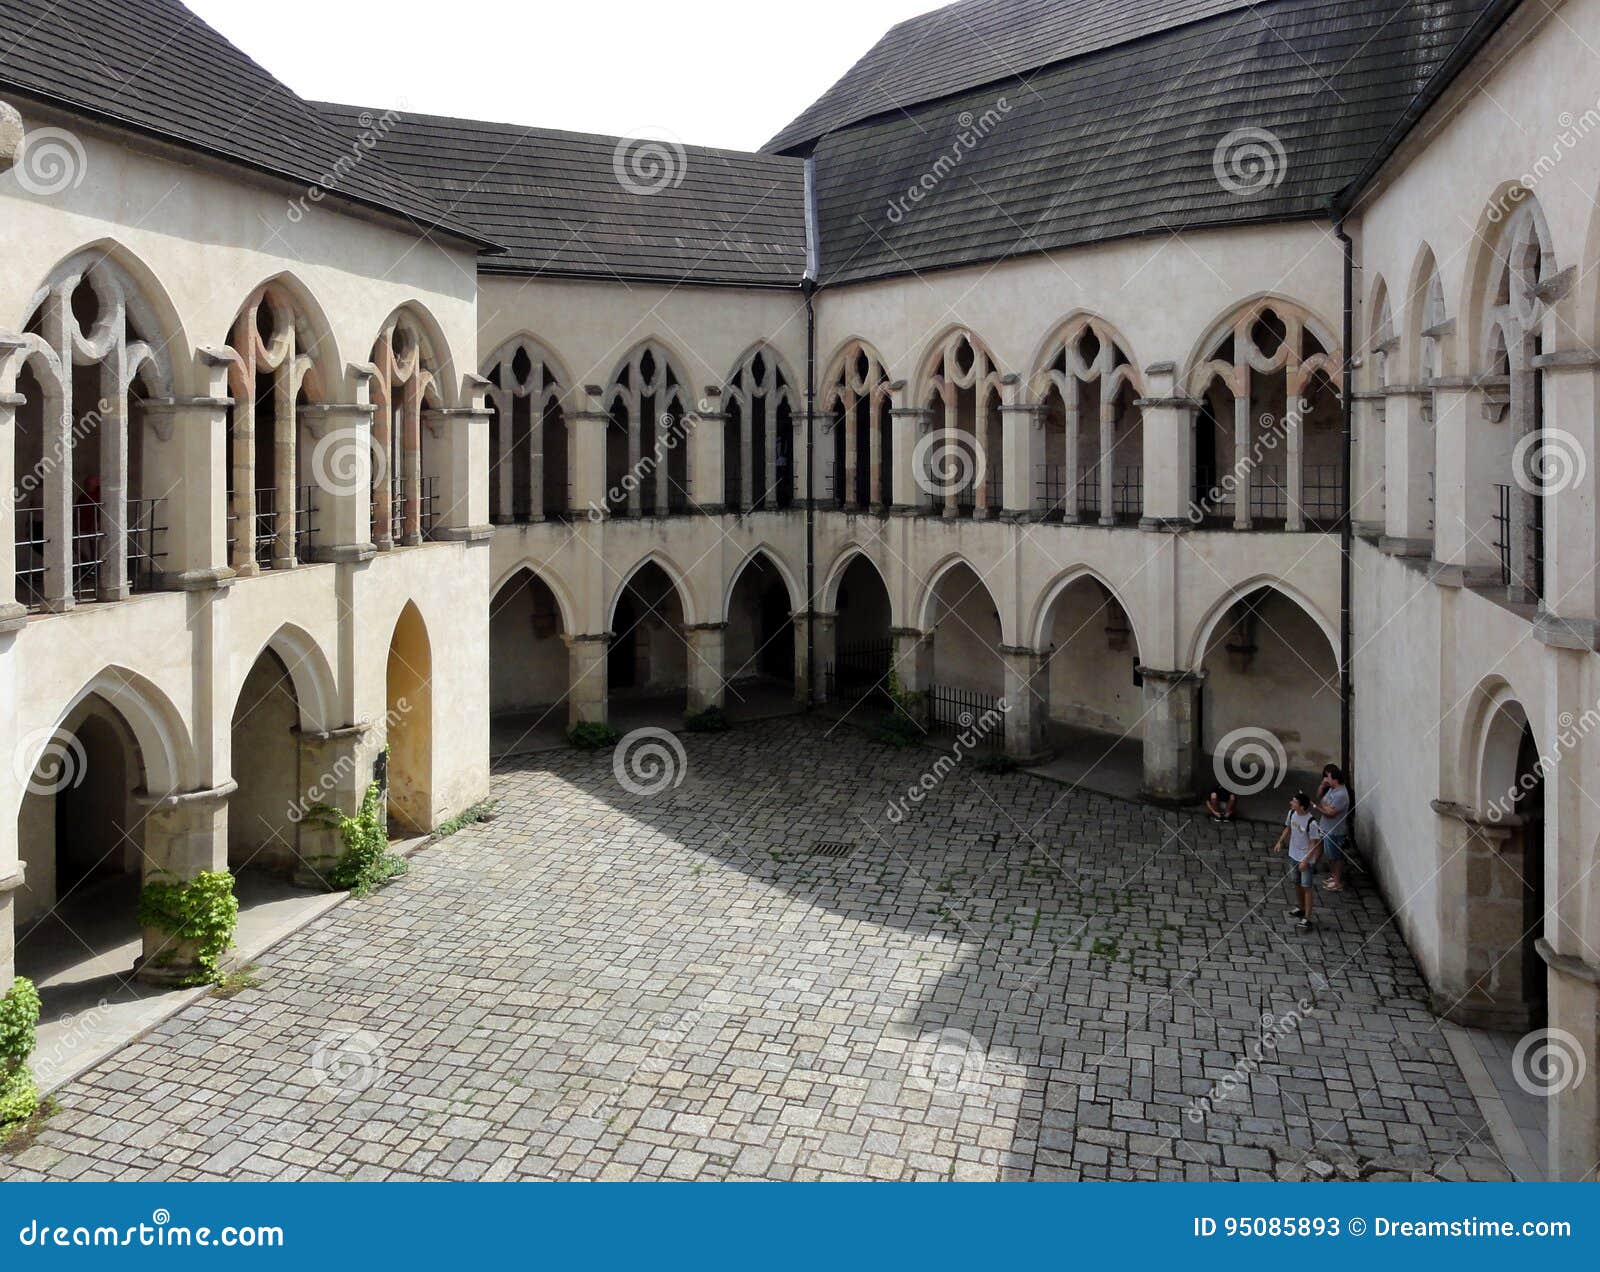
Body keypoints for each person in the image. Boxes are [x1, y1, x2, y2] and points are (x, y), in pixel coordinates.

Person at [1273, 792, 1320, 931]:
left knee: (1307, 886)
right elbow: (1288, 828)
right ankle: (1300, 907)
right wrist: (1280, 842)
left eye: (1294, 802)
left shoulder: (1312, 823)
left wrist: (1305, 860)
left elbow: (1313, 843)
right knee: (1296, 883)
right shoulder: (1292, 813)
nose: (1291, 803)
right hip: (1293, 855)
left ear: (1302, 806)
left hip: (1305, 859)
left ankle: (1307, 917)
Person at [1315, 763, 1351, 891]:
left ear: (1335, 778)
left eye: (1327, 777)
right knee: (1330, 856)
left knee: (1336, 857)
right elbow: (1320, 799)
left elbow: (1330, 813)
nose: (1325, 779)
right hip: (1326, 828)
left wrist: (1318, 807)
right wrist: (1322, 786)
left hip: (1335, 830)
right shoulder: (1332, 789)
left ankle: (1337, 881)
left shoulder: (1341, 794)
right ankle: (1333, 877)